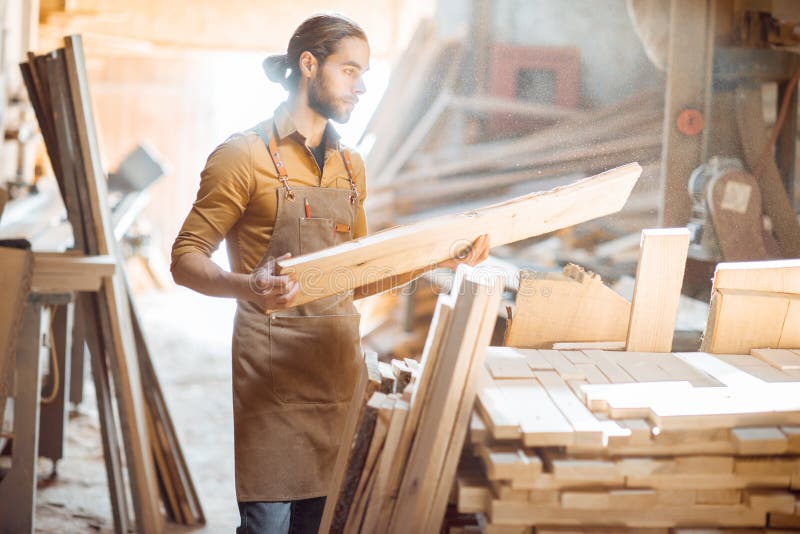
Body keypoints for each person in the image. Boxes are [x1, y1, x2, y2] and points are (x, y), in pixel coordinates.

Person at [170, 13, 490, 534]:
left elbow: (356, 278)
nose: (362, 86)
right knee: (268, 527)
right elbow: (185, 259)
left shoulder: (350, 164)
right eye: (349, 70)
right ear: (309, 64)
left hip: (337, 373)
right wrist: (248, 285)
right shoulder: (242, 156)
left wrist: (438, 261)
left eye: (364, 73)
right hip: (272, 377)